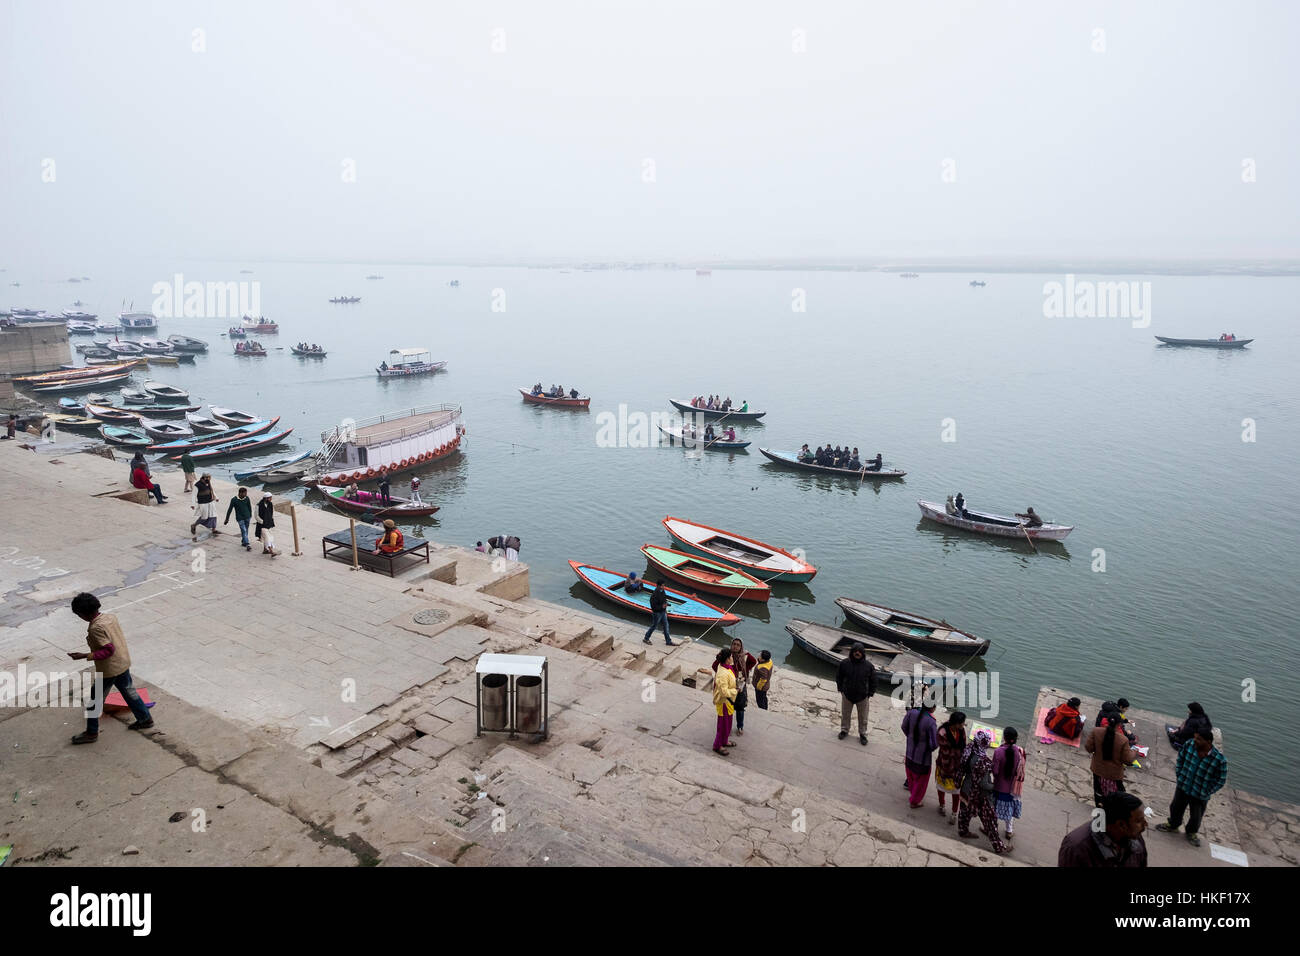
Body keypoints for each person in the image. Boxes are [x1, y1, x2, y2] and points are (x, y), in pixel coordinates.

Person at [66, 592, 154, 743]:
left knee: (95, 699)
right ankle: (145, 718)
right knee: (129, 692)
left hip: (109, 669)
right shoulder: (110, 617)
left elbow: (108, 650)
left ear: (82, 615)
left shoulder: (95, 628)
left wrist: (84, 655)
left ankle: (91, 733)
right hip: (122, 662)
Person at [1155, 729, 1227, 847]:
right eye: (1195, 738)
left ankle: (1191, 833)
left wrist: (1208, 790)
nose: (1195, 741)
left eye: (1199, 739)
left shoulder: (1219, 760)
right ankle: (1173, 825)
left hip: (1200, 793)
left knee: (1196, 816)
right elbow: (1180, 759)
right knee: (1175, 807)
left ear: (1208, 742)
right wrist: (1180, 775)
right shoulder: (1189, 745)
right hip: (1183, 785)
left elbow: (1220, 780)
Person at [1059, 792, 1149, 867]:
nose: (1145, 824)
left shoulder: (1135, 839)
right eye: (1139, 821)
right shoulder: (1077, 848)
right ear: (1121, 825)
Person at [955, 730, 1008, 853]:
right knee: (989, 819)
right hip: (978, 795)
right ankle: (999, 847)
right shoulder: (982, 762)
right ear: (985, 744)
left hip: (965, 789)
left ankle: (963, 831)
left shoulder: (969, 750)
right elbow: (984, 784)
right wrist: (995, 786)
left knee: (964, 813)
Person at [1085, 705, 1137, 807]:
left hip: (1097, 769)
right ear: (1119, 724)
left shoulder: (1096, 731)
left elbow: (1088, 748)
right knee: (1119, 793)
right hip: (1114, 774)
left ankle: (1099, 808)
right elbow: (1128, 760)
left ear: (1107, 721)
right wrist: (1134, 752)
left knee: (1098, 791)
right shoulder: (1123, 740)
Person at [711, 638, 756, 735]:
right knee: (728, 706)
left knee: (740, 707)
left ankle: (740, 726)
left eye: (738, 645)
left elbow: (753, 661)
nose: (735, 646)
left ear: (741, 647)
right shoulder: (726, 655)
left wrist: (746, 670)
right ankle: (727, 727)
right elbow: (714, 666)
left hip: (740, 685)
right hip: (728, 686)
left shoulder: (745, 656)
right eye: (734, 644)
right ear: (731, 645)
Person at [835, 642, 875, 745]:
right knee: (845, 714)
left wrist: (870, 693)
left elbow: (873, 680)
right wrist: (840, 689)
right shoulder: (844, 663)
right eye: (855, 651)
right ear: (852, 652)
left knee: (863, 717)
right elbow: (839, 676)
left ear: (863, 653)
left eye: (859, 651)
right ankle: (844, 730)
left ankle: (863, 734)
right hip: (847, 694)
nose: (857, 653)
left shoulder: (869, 666)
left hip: (862, 696)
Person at [991, 727, 1026, 841]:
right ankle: (1009, 831)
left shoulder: (998, 751)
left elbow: (995, 772)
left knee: (994, 809)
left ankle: (991, 828)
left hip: (999, 787)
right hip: (1012, 789)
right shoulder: (1020, 751)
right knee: (1009, 811)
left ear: (1004, 737)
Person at [901, 703, 938, 809]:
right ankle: (914, 801)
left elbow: (904, 727)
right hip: (922, 758)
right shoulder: (931, 722)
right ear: (932, 708)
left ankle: (913, 795)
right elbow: (934, 744)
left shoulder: (911, 713)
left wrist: (911, 737)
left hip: (909, 753)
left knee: (911, 776)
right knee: (921, 781)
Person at [934, 710, 967, 821]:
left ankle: (954, 813)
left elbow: (963, 746)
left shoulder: (961, 731)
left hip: (957, 767)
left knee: (956, 792)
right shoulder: (942, 732)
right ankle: (942, 805)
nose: (963, 725)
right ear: (956, 723)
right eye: (962, 723)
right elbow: (945, 753)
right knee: (941, 787)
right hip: (945, 765)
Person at [712, 648, 737, 756]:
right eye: (731, 656)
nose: (732, 658)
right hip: (724, 702)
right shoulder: (722, 673)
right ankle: (717, 745)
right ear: (727, 659)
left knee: (728, 724)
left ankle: (725, 741)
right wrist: (735, 690)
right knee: (722, 725)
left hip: (729, 701)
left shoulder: (727, 667)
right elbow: (723, 692)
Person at [643, 580, 674, 646]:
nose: (664, 587)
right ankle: (646, 638)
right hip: (657, 613)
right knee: (654, 626)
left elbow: (664, 599)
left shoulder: (662, 591)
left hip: (663, 612)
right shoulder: (654, 595)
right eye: (662, 585)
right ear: (659, 586)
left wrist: (665, 606)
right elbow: (653, 607)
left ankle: (668, 641)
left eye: (664, 585)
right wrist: (662, 607)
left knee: (666, 626)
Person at [223, 486, 253, 550]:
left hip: (247, 517)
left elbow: (249, 507)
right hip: (240, 518)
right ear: (240, 493)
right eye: (245, 493)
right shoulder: (234, 500)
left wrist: (250, 515)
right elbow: (229, 510)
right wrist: (227, 519)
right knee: (244, 530)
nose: (246, 494)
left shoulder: (247, 498)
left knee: (246, 530)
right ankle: (247, 544)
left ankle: (243, 542)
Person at [191, 474, 216, 539]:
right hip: (203, 503)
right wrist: (193, 504)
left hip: (210, 502)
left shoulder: (208, 483)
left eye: (209, 477)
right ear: (203, 477)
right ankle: (194, 525)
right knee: (204, 517)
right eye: (207, 477)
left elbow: (212, 490)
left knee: (214, 515)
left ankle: (214, 529)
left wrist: (216, 497)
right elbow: (193, 495)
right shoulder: (197, 485)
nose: (209, 479)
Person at [256, 491, 278, 556]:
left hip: (269, 524)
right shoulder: (258, 505)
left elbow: (272, 513)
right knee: (268, 538)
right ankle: (271, 551)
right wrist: (262, 522)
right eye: (270, 498)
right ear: (266, 498)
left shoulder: (270, 504)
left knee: (268, 537)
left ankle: (265, 550)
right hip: (262, 525)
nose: (271, 499)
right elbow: (256, 516)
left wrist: (271, 521)